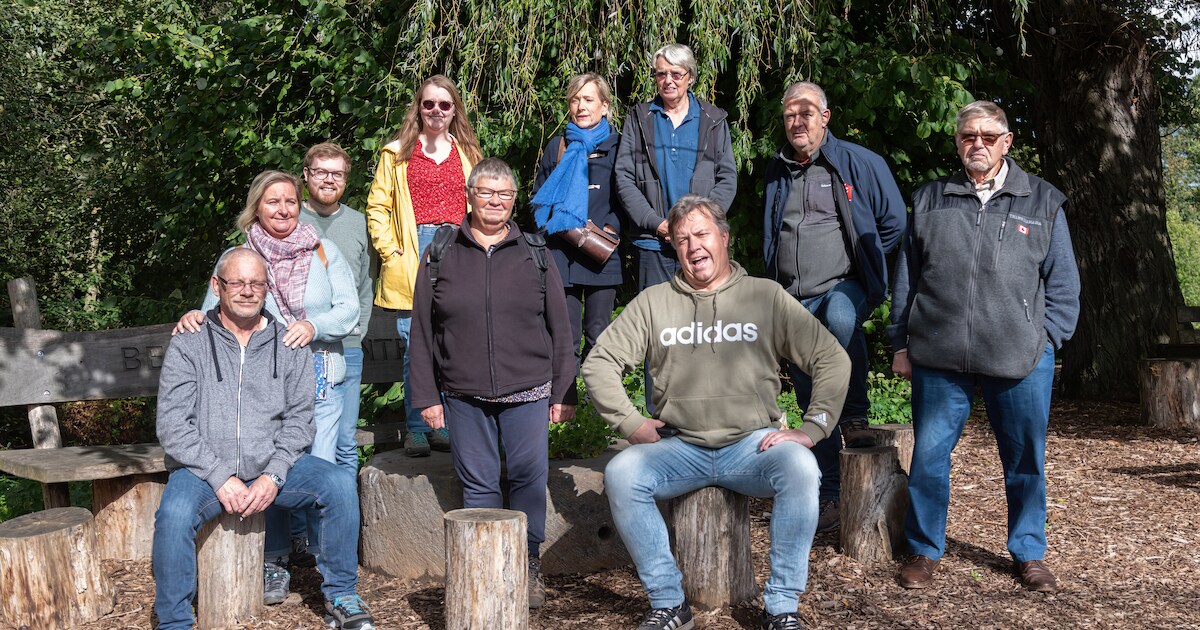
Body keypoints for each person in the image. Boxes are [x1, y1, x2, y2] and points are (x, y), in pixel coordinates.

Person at [582, 195, 851, 630]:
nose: (693, 247)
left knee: (801, 467)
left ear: (724, 238)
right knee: (623, 473)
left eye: (702, 234)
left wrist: (814, 427)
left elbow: (831, 358)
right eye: (683, 239)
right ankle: (669, 603)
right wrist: (630, 423)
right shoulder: (654, 303)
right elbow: (599, 363)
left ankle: (781, 608)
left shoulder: (764, 297)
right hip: (679, 448)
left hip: (752, 448)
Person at [889, 101, 1080, 593]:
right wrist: (900, 342)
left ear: (1007, 141)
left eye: (988, 136)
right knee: (929, 458)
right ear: (957, 142)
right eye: (968, 136)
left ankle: (1029, 552)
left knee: (1024, 461)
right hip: (939, 355)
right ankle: (924, 549)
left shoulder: (1042, 201)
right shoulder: (931, 199)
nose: (978, 143)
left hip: (1019, 358)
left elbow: (1063, 286)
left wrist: (1047, 342)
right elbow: (906, 279)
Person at [154, 248, 375, 630]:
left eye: (256, 283)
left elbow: (300, 421)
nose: (246, 290)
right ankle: (174, 621)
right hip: (203, 470)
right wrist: (219, 476)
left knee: (338, 483)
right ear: (216, 286)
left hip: (272, 464)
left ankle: (341, 595)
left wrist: (274, 475)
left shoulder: (289, 344)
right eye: (236, 282)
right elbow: (173, 424)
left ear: (267, 288)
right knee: (173, 514)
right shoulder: (190, 341)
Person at [174, 170, 359, 604]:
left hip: (320, 376)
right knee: (267, 465)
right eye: (272, 201)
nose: (282, 209)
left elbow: (349, 310)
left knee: (319, 467)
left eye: (291, 201)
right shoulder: (238, 255)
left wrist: (312, 326)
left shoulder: (324, 250)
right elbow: (211, 310)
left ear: (300, 205)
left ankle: (321, 561)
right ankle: (274, 560)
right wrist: (192, 318)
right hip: (261, 385)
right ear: (257, 206)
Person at [408, 158, 577, 609]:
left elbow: (561, 328)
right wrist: (425, 395)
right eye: (486, 192)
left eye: (504, 194)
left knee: (526, 476)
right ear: (469, 195)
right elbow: (423, 330)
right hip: (464, 393)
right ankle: (486, 566)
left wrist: (564, 391)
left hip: (529, 388)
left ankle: (528, 562)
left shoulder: (535, 253)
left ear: (514, 200)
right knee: (478, 482)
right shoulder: (442, 251)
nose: (495, 202)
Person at [762, 81, 907, 533]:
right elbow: (772, 230)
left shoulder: (858, 162)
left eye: (806, 112)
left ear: (825, 117)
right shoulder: (777, 169)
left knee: (841, 319)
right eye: (789, 114)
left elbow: (894, 222)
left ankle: (855, 412)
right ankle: (827, 492)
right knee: (807, 385)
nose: (797, 121)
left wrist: (867, 264)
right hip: (793, 291)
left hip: (847, 284)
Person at [613, 43, 737, 411]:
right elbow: (624, 178)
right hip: (656, 245)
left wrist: (699, 226)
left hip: (701, 247)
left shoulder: (713, 120)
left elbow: (727, 177)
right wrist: (658, 224)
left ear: (690, 78)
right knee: (660, 333)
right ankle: (663, 417)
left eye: (675, 74)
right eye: (661, 74)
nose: (667, 81)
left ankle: (708, 412)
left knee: (708, 329)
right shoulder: (639, 118)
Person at [366, 74, 483, 457]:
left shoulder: (467, 152)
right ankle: (417, 426)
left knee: (452, 341)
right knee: (415, 344)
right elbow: (377, 206)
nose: (435, 110)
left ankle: (444, 424)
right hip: (411, 248)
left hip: (457, 246)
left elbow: (482, 203)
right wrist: (391, 251)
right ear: (419, 107)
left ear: (454, 111)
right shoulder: (397, 152)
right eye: (428, 103)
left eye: (444, 105)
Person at [532, 72, 626, 368]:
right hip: (562, 254)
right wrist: (555, 225)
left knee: (598, 336)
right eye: (575, 100)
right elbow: (539, 197)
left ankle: (598, 410)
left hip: (602, 252)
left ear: (605, 106)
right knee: (564, 337)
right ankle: (564, 406)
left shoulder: (619, 146)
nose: (581, 106)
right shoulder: (556, 147)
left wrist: (612, 228)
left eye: (588, 99)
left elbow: (629, 196)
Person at [300, 142, 374, 474]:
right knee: (304, 443)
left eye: (337, 173)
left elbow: (364, 285)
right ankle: (301, 527)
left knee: (345, 444)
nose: (329, 180)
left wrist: (357, 333)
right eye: (321, 172)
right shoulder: (289, 216)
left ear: (346, 178)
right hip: (301, 350)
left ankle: (341, 525)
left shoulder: (359, 223)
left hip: (349, 348)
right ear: (306, 175)